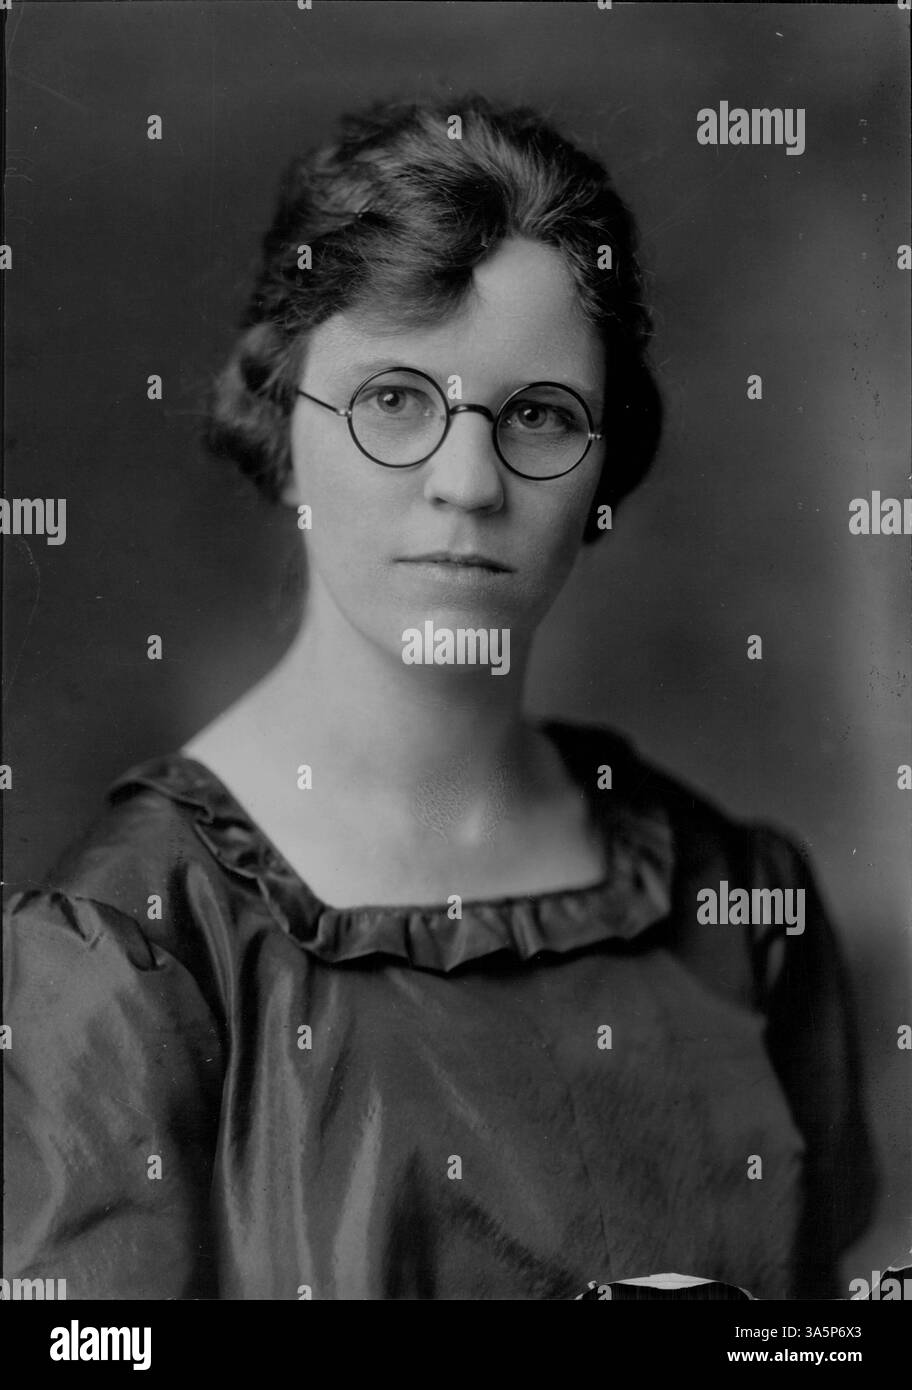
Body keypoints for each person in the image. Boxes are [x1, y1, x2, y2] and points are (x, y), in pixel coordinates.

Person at [3, 95, 874, 1300]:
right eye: (395, 400)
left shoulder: (739, 900)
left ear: (606, 463)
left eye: (538, 415)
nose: (467, 483)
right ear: (280, 416)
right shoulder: (129, 953)